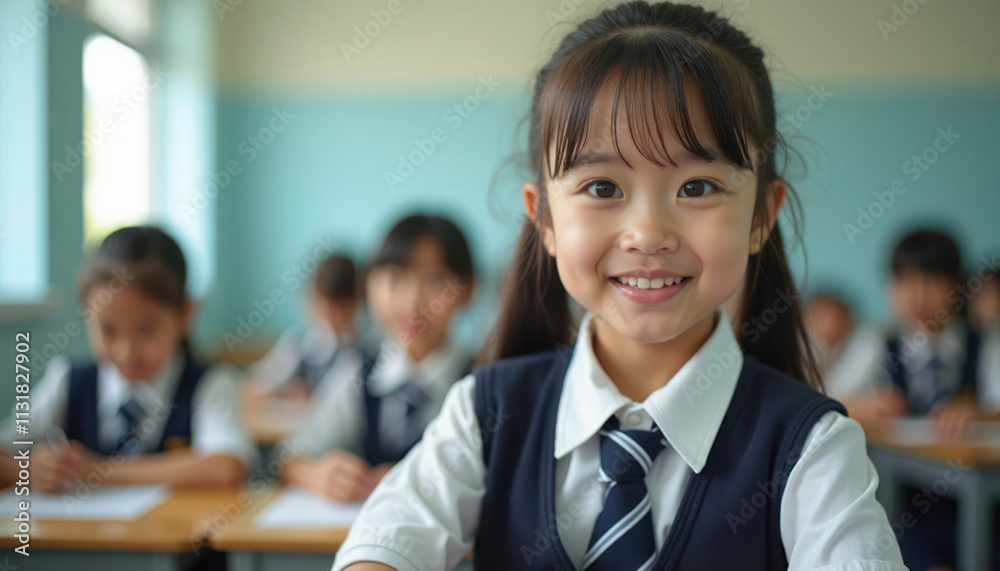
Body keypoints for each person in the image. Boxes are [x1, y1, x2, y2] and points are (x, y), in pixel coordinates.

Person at [333, 3, 905, 570]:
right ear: (544, 218)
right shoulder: (483, 415)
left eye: (698, 186)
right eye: (603, 188)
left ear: (761, 215)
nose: (648, 235)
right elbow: (383, 547)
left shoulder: (813, 447)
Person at [0, 226, 257, 493]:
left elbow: (227, 467)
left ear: (185, 315)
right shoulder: (67, 380)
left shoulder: (210, 383)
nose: (126, 352)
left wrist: (98, 472)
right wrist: (27, 471)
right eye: (108, 330)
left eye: (146, 330)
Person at [281, 215, 475, 502]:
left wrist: (418, 479)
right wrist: (317, 474)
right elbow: (288, 457)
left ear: (469, 289)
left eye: (435, 280)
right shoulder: (358, 371)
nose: (412, 301)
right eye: (395, 279)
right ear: (369, 287)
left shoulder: (482, 379)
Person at [246, 254, 364, 399]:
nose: (336, 317)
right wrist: (286, 392)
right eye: (329, 306)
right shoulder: (298, 343)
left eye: (343, 307)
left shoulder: (364, 351)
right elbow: (253, 387)